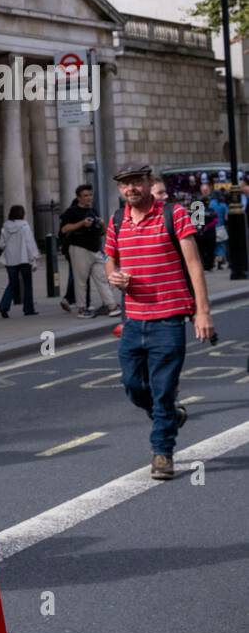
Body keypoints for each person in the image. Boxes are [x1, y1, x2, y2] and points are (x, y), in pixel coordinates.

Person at [105, 164, 214, 481]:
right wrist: (113, 275)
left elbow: (194, 265)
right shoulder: (116, 220)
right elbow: (110, 257)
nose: (130, 189)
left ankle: (162, 453)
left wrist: (203, 311)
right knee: (133, 385)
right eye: (124, 185)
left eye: (135, 183)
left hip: (168, 319)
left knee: (163, 389)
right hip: (133, 321)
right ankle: (167, 417)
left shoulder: (174, 214)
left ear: (147, 183)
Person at [59, 184, 118, 318]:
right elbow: (64, 229)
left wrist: (102, 224)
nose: (89, 198)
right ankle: (82, 309)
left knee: (102, 278)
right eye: (85, 196)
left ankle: (112, 306)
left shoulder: (93, 211)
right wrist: (81, 223)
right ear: (79, 198)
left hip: (95, 249)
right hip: (79, 248)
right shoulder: (72, 212)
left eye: (90, 195)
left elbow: (102, 232)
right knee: (81, 281)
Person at [0, 205, 38, 317]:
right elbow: (29, 243)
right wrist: (34, 256)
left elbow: (1, 244)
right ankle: (28, 308)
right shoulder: (25, 226)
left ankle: (4, 306)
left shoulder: (5, 227)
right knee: (27, 284)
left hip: (10, 259)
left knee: (12, 283)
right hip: (24, 258)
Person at [193, 182, 218, 271]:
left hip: (202, 234)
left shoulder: (197, 211)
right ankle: (209, 265)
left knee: (203, 251)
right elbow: (215, 220)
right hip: (209, 234)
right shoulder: (211, 210)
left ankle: (206, 265)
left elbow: (195, 222)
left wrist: (200, 228)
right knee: (209, 250)